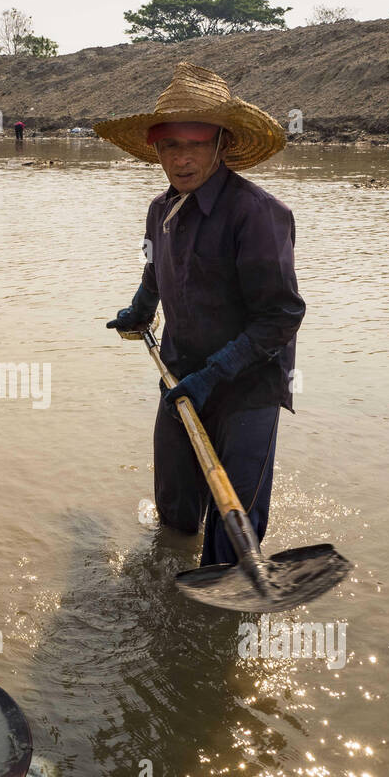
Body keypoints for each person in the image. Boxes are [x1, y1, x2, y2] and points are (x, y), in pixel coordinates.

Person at [97, 62, 303, 568]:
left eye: (194, 144)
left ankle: (225, 605)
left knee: (230, 542)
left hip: (247, 386)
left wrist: (214, 375)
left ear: (221, 145)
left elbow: (280, 316)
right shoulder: (160, 210)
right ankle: (168, 592)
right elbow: (155, 269)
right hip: (179, 374)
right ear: (155, 148)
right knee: (175, 512)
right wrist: (141, 310)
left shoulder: (258, 214)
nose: (181, 159)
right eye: (170, 145)